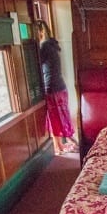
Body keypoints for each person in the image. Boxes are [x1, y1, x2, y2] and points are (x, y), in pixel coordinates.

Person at [36, 20, 78, 155]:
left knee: (55, 118)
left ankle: (60, 146)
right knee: (62, 116)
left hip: (52, 88)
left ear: (41, 32)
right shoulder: (52, 45)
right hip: (60, 86)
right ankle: (66, 143)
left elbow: (36, 65)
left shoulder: (44, 47)